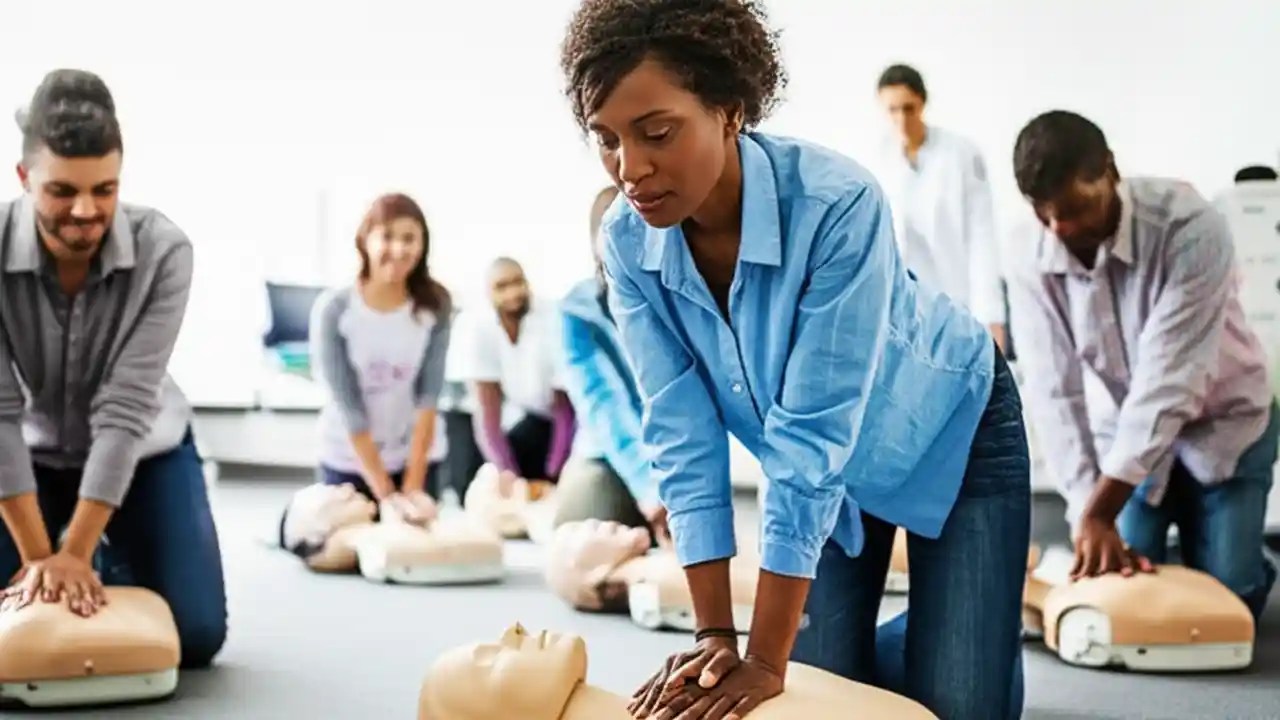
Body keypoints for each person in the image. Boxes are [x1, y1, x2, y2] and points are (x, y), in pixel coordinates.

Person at [558, 3, 1030, 719]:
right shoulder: (628, 244)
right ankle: (960, 632)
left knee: (957, 706)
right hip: (833, 483)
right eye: (606, 141)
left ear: (730, 109)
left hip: (955, 431)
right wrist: (717, 636)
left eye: (656, 133)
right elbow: (681, 436)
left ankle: (973, 633)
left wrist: (766, 658)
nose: (631, 168)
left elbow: (809, 437)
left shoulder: (837, 204)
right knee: (821, 692)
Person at [1006, 110, 1278, 619]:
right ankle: (1185, 538)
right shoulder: (1029, 247)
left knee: (1231, 597)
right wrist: (1089, 512)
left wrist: (1103, 510)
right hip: (1128, 438)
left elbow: (1168, 383)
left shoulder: (1191, 226)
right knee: (1122, 587)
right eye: (1043, 213)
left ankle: (1237, 554)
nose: (1059, 228)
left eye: (1074, 209)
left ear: (1110, 170)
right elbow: (1052, 390)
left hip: (1225, 423)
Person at [0, 69, 226, 667]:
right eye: (61, 191)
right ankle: (94, 553)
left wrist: (71, 554)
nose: (85, 210)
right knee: (15, 618)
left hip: (145, 449)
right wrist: (37, 557)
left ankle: (101, 548)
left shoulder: (165, 251)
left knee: (197, 635)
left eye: (105, 190)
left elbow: (126, 408)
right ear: (24, 179)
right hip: (29, 454)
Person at [310, 192, 451, 524]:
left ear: (422, 244)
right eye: (387, 237)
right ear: (365, 240)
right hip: (350, 459)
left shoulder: (436, 305)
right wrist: (387, 496)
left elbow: (428, 399)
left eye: (409, 238)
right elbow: (350, 412)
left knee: (415, 539)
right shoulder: (334, 310)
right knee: (348, 544)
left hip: (415, 457)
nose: (398, 250)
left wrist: (412, 489)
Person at [554, 186, 667, 542]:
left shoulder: (680, 299)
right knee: (589, 537)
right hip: (606, 459)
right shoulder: (577, 312)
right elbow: (603, 403)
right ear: (594, 243)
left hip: (677, 463)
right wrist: (649, 488)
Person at [872, 63, 1006, 351]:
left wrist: (991, 315)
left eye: (908, 108)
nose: (901, 119)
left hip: (958, 299)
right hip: (904, 308)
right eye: (892, 110)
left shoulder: (961, 154)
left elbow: (982, 237)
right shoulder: (876, 159)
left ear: (923, 103)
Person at [449, 258, 575, 488]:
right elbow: (488, 413)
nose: (513, 293)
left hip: (567, 423)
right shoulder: (477, 326)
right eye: (502, 286)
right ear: (488, 293)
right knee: (486, 473)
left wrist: (555, 473)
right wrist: (508, 474)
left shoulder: (553, 319)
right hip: (527, 417)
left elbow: (564, 410)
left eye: (519, 282)